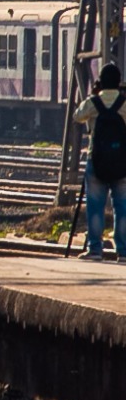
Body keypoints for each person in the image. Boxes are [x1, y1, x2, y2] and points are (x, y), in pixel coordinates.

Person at [75, 63, 126, 262]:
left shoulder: (93, 102)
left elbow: (77, 116)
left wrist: (93, 95)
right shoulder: (124, 103)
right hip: (122, 162)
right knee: (122, 208)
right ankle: (123, 251)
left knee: (95, 207)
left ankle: (95, 250)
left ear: (100, 82)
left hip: (96, 161)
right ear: (119, 82)